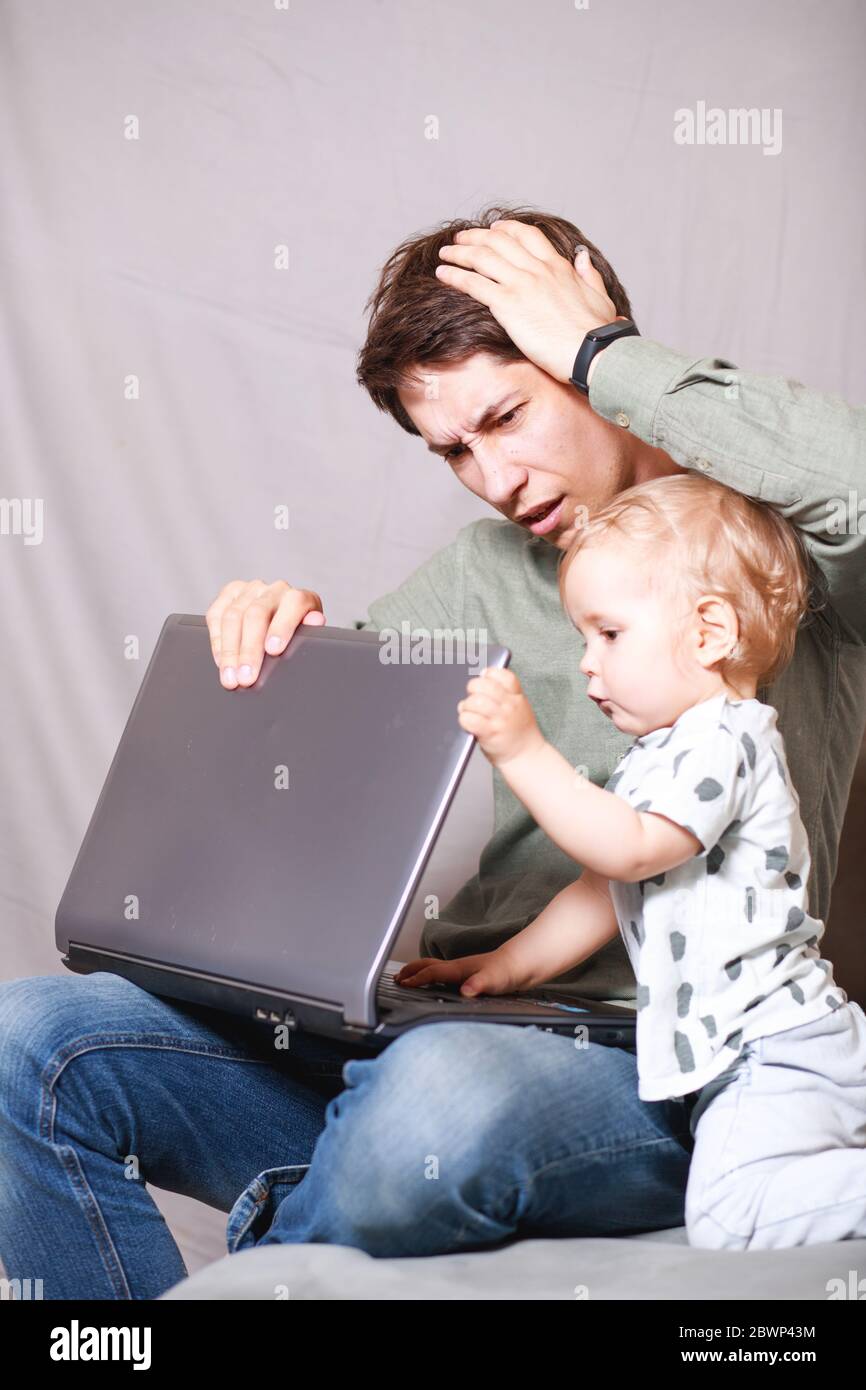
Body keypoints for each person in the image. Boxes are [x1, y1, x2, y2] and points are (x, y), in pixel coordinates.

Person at [1, 206, 864, 1297]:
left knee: (434, 1097)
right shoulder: (477, 571)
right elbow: (332, 806)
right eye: (453, 448)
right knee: (25, 1037)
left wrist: (606, 355)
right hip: (440, 1014)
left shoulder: (776, 549)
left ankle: (255, 1271)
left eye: (506, 415)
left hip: (658, 1061)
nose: (494, 477)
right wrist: (278, 669)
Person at [394, 470, 866, 1249]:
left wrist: (524, 750)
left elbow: (627, 846)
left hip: (775, 1052)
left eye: (608, 634)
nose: (587, 662)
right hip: (736, 1057)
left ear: (709, 633)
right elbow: (599, 885)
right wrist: (501, 967)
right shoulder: (661, 754)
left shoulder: (731, 737)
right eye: (583, 638)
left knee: (729, 1223)